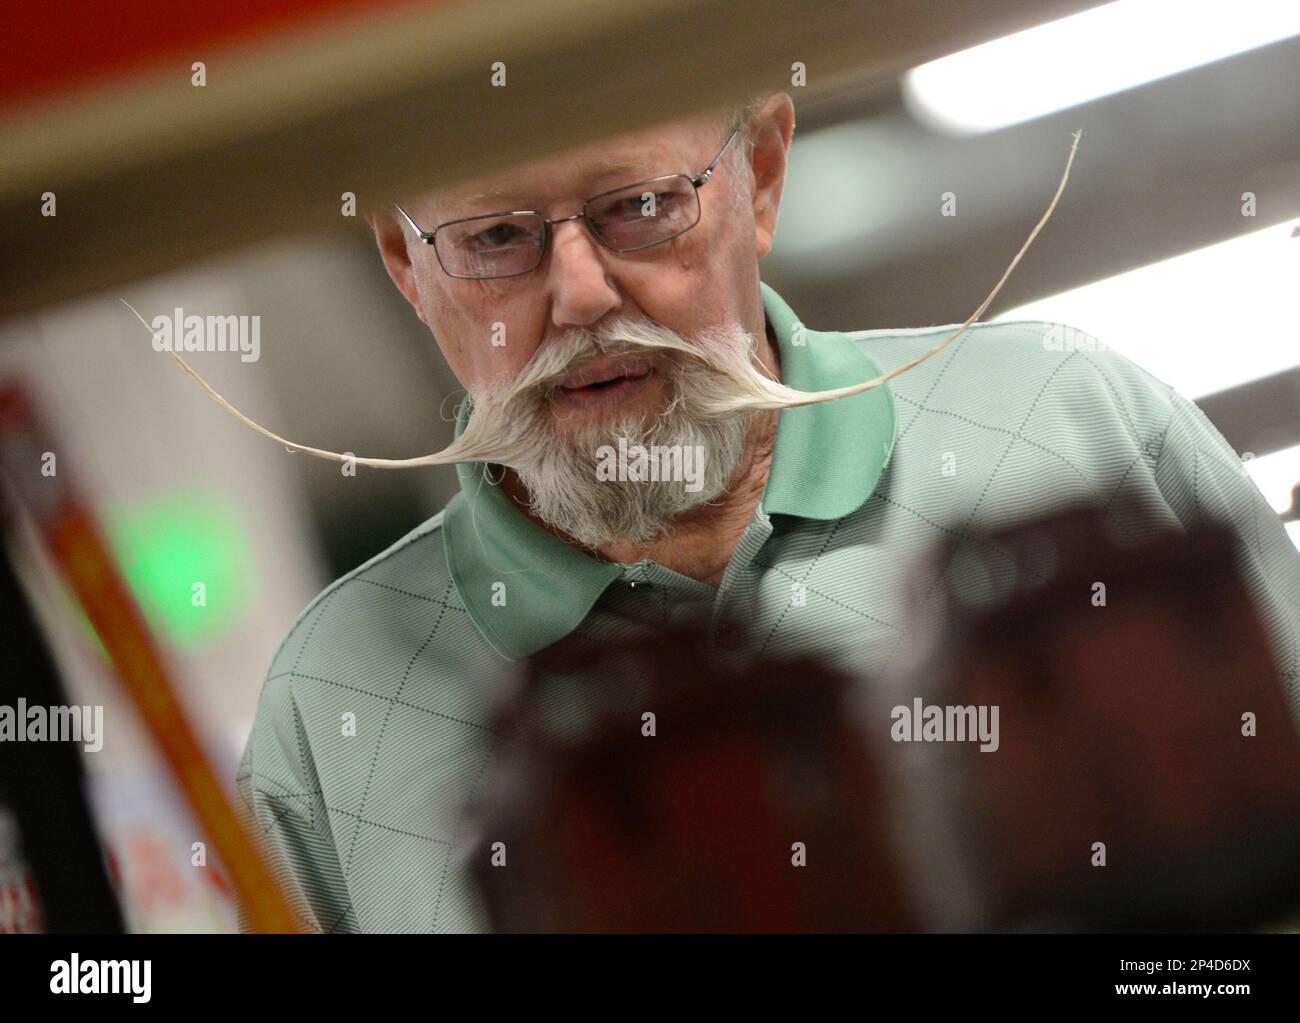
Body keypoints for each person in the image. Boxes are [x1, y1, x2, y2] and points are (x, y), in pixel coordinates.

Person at [235, 93, 1300, 933]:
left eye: (642, 206)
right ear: (403, 265)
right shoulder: (331, 704)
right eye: (494, 238)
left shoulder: (1071, 420)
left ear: (763, 178)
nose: (580, 294)